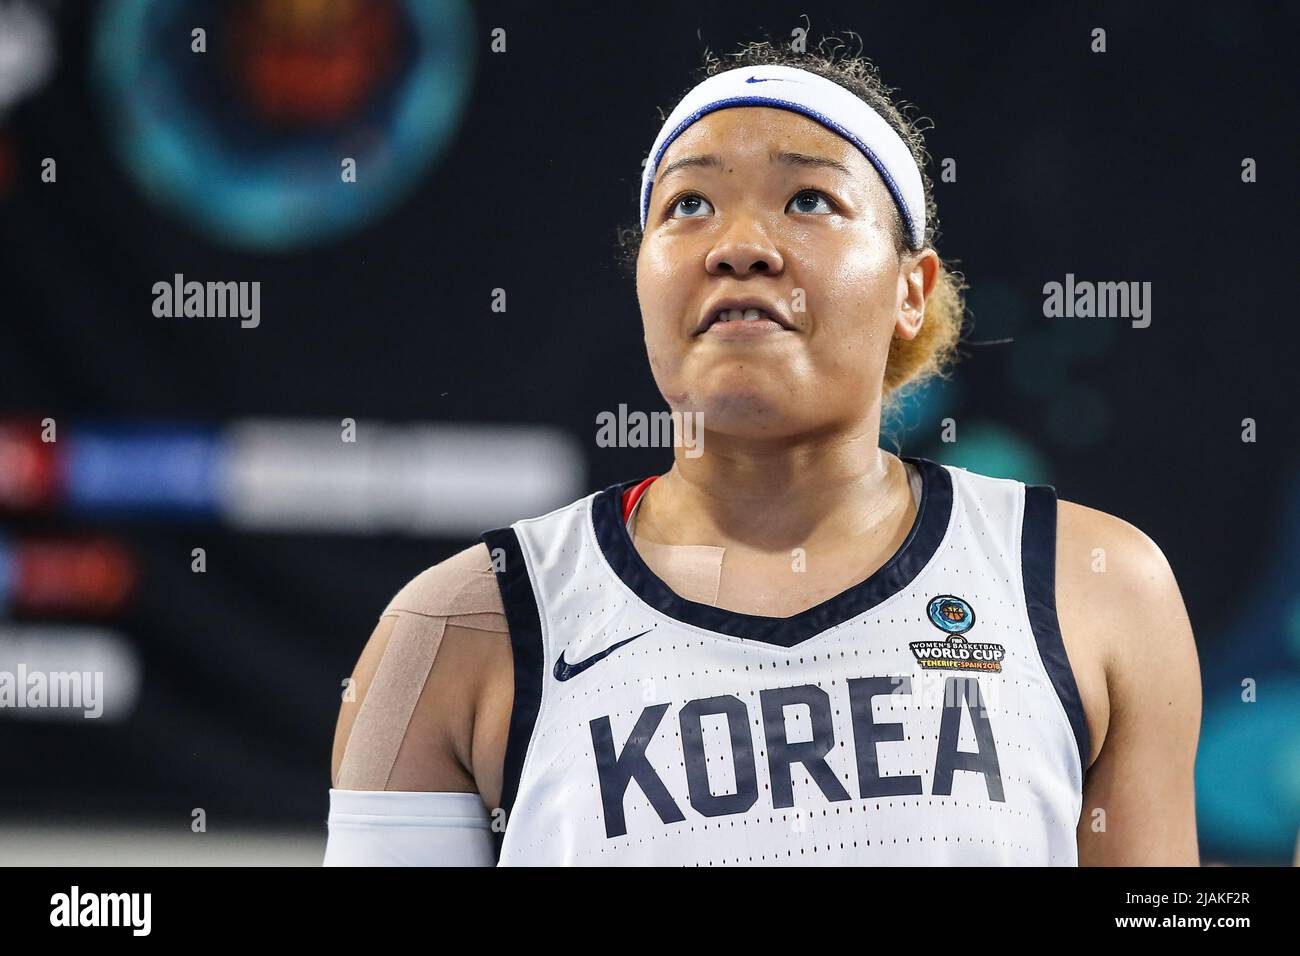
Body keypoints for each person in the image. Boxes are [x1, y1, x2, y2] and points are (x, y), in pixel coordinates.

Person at [325, 39, 1201, 866]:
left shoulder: (1092, 586)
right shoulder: (452, 632)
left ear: (911, 289)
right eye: (689, 205)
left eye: (810, 199)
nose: (738, 246)